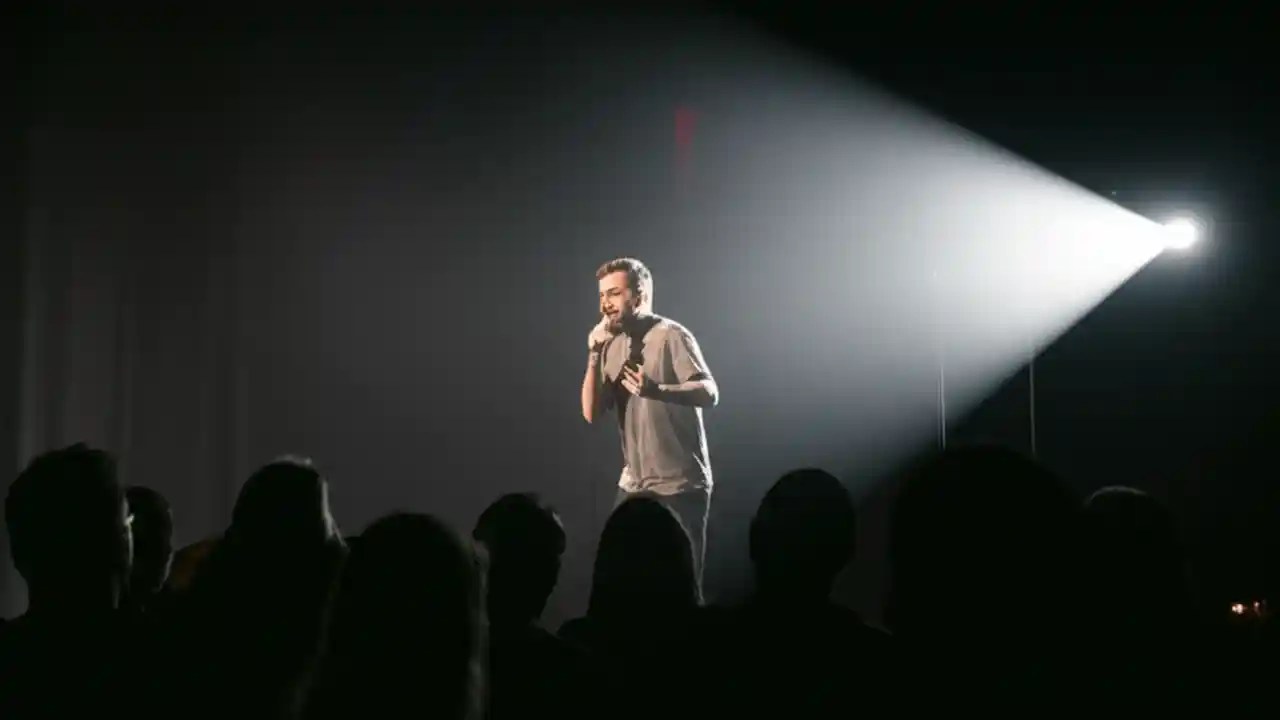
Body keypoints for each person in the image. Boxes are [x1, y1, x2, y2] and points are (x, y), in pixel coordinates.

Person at [580, 257, 718, 581]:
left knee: (681, 584)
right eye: (601, 296)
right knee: (621, 577)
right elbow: (590, 413)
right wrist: (593, 353)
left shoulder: (672, 336)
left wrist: (658, 389)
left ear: (639, 295)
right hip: (634, 485)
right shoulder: (611, 344)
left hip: (679, 485)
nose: (605, 305)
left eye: (613, 294)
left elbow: (709, 392)